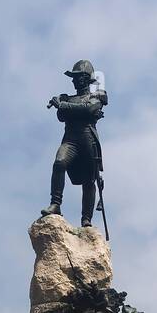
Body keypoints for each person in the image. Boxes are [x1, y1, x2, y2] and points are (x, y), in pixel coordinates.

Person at [42, 60, 106, 228]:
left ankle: (86, 219)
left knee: (89, 180)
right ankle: (55, 203)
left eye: (76, 77)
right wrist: (62, 104)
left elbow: (88, 109)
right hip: (70, 139)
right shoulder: (69, 98)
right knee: (59, 163)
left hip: (87, 139)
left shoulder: (95, 97)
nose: (73, 81)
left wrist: (63, 105)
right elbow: (61, 116)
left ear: (85, 78)